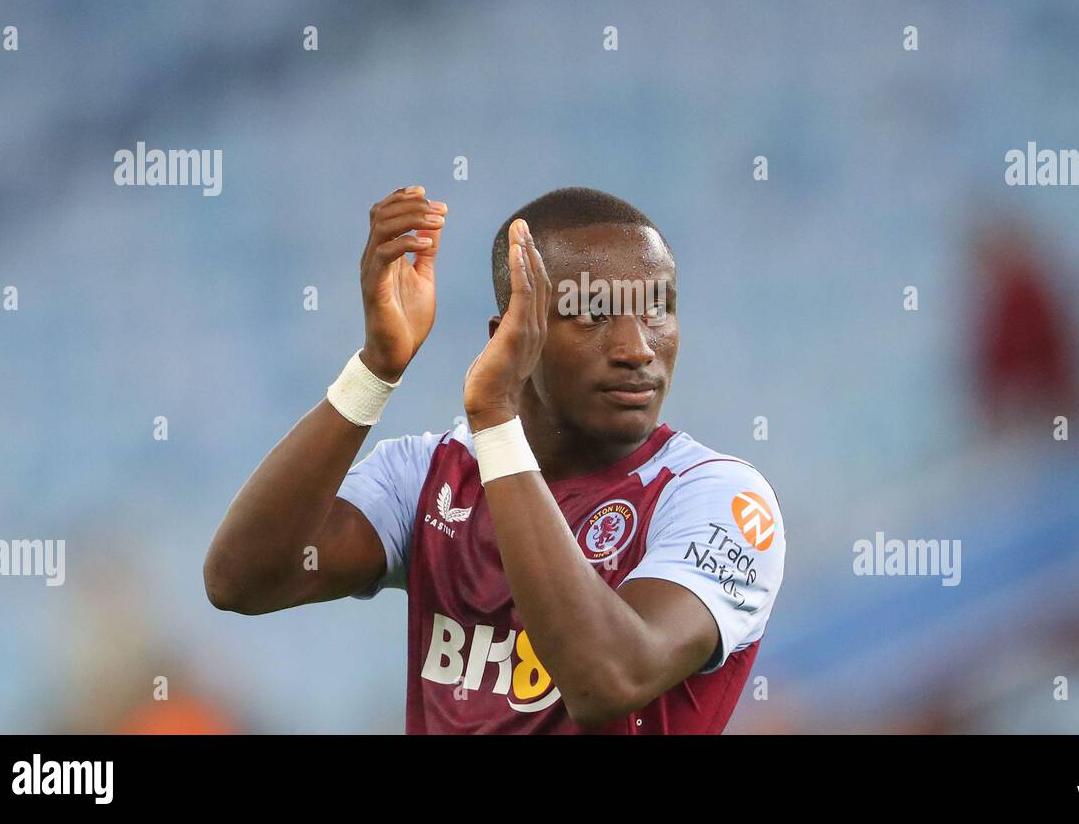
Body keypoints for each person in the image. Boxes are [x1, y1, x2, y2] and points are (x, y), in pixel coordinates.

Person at [203, 185, 786, 734]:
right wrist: (375, 370)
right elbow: (242, 580)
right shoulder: (429, 475)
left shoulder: (720, 501)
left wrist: (496, 420)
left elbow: (609, 677)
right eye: (592, 314)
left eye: (656, 309)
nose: (636, 348)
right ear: (509, 336)